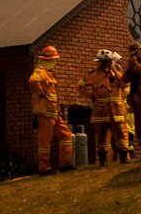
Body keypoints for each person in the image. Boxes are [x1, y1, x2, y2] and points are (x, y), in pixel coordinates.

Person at [77, 49, 130, 166]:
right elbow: (80, 86)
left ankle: (123, 157)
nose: (101, 64)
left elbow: (125, 84)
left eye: (105, 62)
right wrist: (91, 96)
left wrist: (116, 71)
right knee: (101, 136)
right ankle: (102, 159)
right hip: (101, 112)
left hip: (116, 112)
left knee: (120, 134)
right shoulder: (93, 75)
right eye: (100, 62)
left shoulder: (117, 73)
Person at [28, 45, 75, 175]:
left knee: (66, 135)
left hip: (54, 113)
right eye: (54, 59)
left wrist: (59, 111)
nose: (55, 62)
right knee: (45, 141)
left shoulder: (50, 74)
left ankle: (65, 163)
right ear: (47, 60)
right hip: (45, 113)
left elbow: (54, 96)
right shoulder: (40, 72)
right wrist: (41, 92)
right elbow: (32, 81)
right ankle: (44, 168)